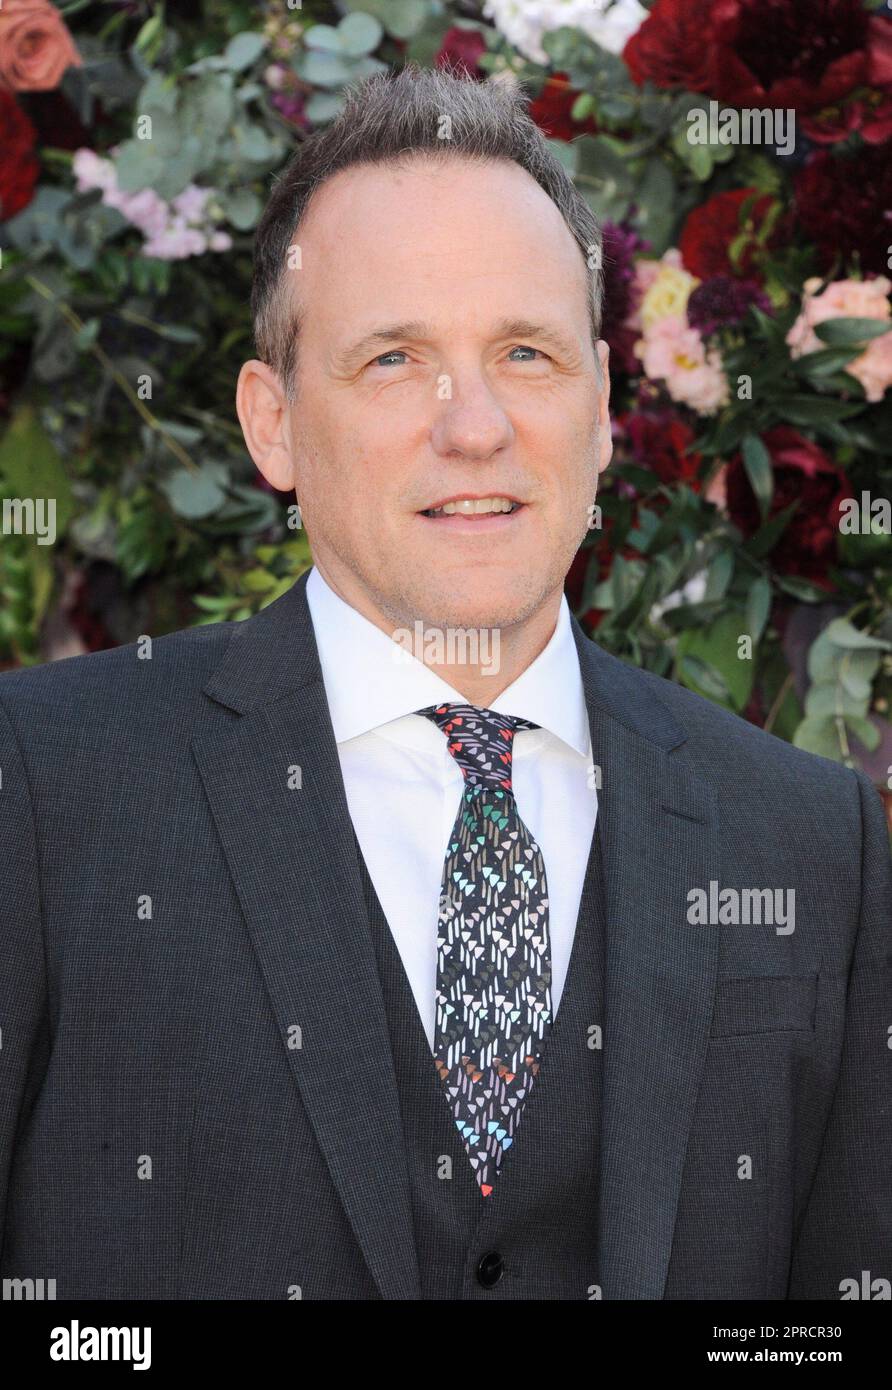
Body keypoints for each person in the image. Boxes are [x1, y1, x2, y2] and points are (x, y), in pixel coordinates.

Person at [0, 65, 889, 1302]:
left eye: (523, 352)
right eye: (392, 358)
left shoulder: (808, 838)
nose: (471, 425)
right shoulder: (41, 788)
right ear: (272, 424)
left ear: (599, 411)